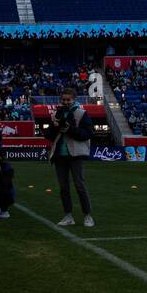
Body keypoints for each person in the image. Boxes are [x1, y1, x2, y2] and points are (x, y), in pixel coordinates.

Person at [48, 85, 94, 227]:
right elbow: (49, 135)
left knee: (80, 186)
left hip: (76, 154)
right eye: (64, 99)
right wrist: (55, 126)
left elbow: (87, 134)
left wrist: (70, 129)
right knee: (63, 187)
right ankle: (68, 216)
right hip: (60, 154)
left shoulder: (81, 113)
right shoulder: (57, 113)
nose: (66, 102)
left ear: (74, 99)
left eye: (68, 99)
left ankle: (88, 216)